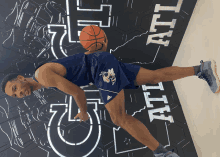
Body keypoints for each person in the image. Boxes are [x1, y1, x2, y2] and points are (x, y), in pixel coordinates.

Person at [1, 32, 220, 157]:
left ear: (20, 78)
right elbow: (76, 64)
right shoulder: (42, 80)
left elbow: (77, 91)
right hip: (99, 64)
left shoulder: (43, 76)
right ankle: (202, 69)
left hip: (99, 69)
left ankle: (162, 153)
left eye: (15, 89)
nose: (20, 94)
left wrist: (83, 112)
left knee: (118, 117)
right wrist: (97, 55)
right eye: (16, 96)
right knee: (153, 77)